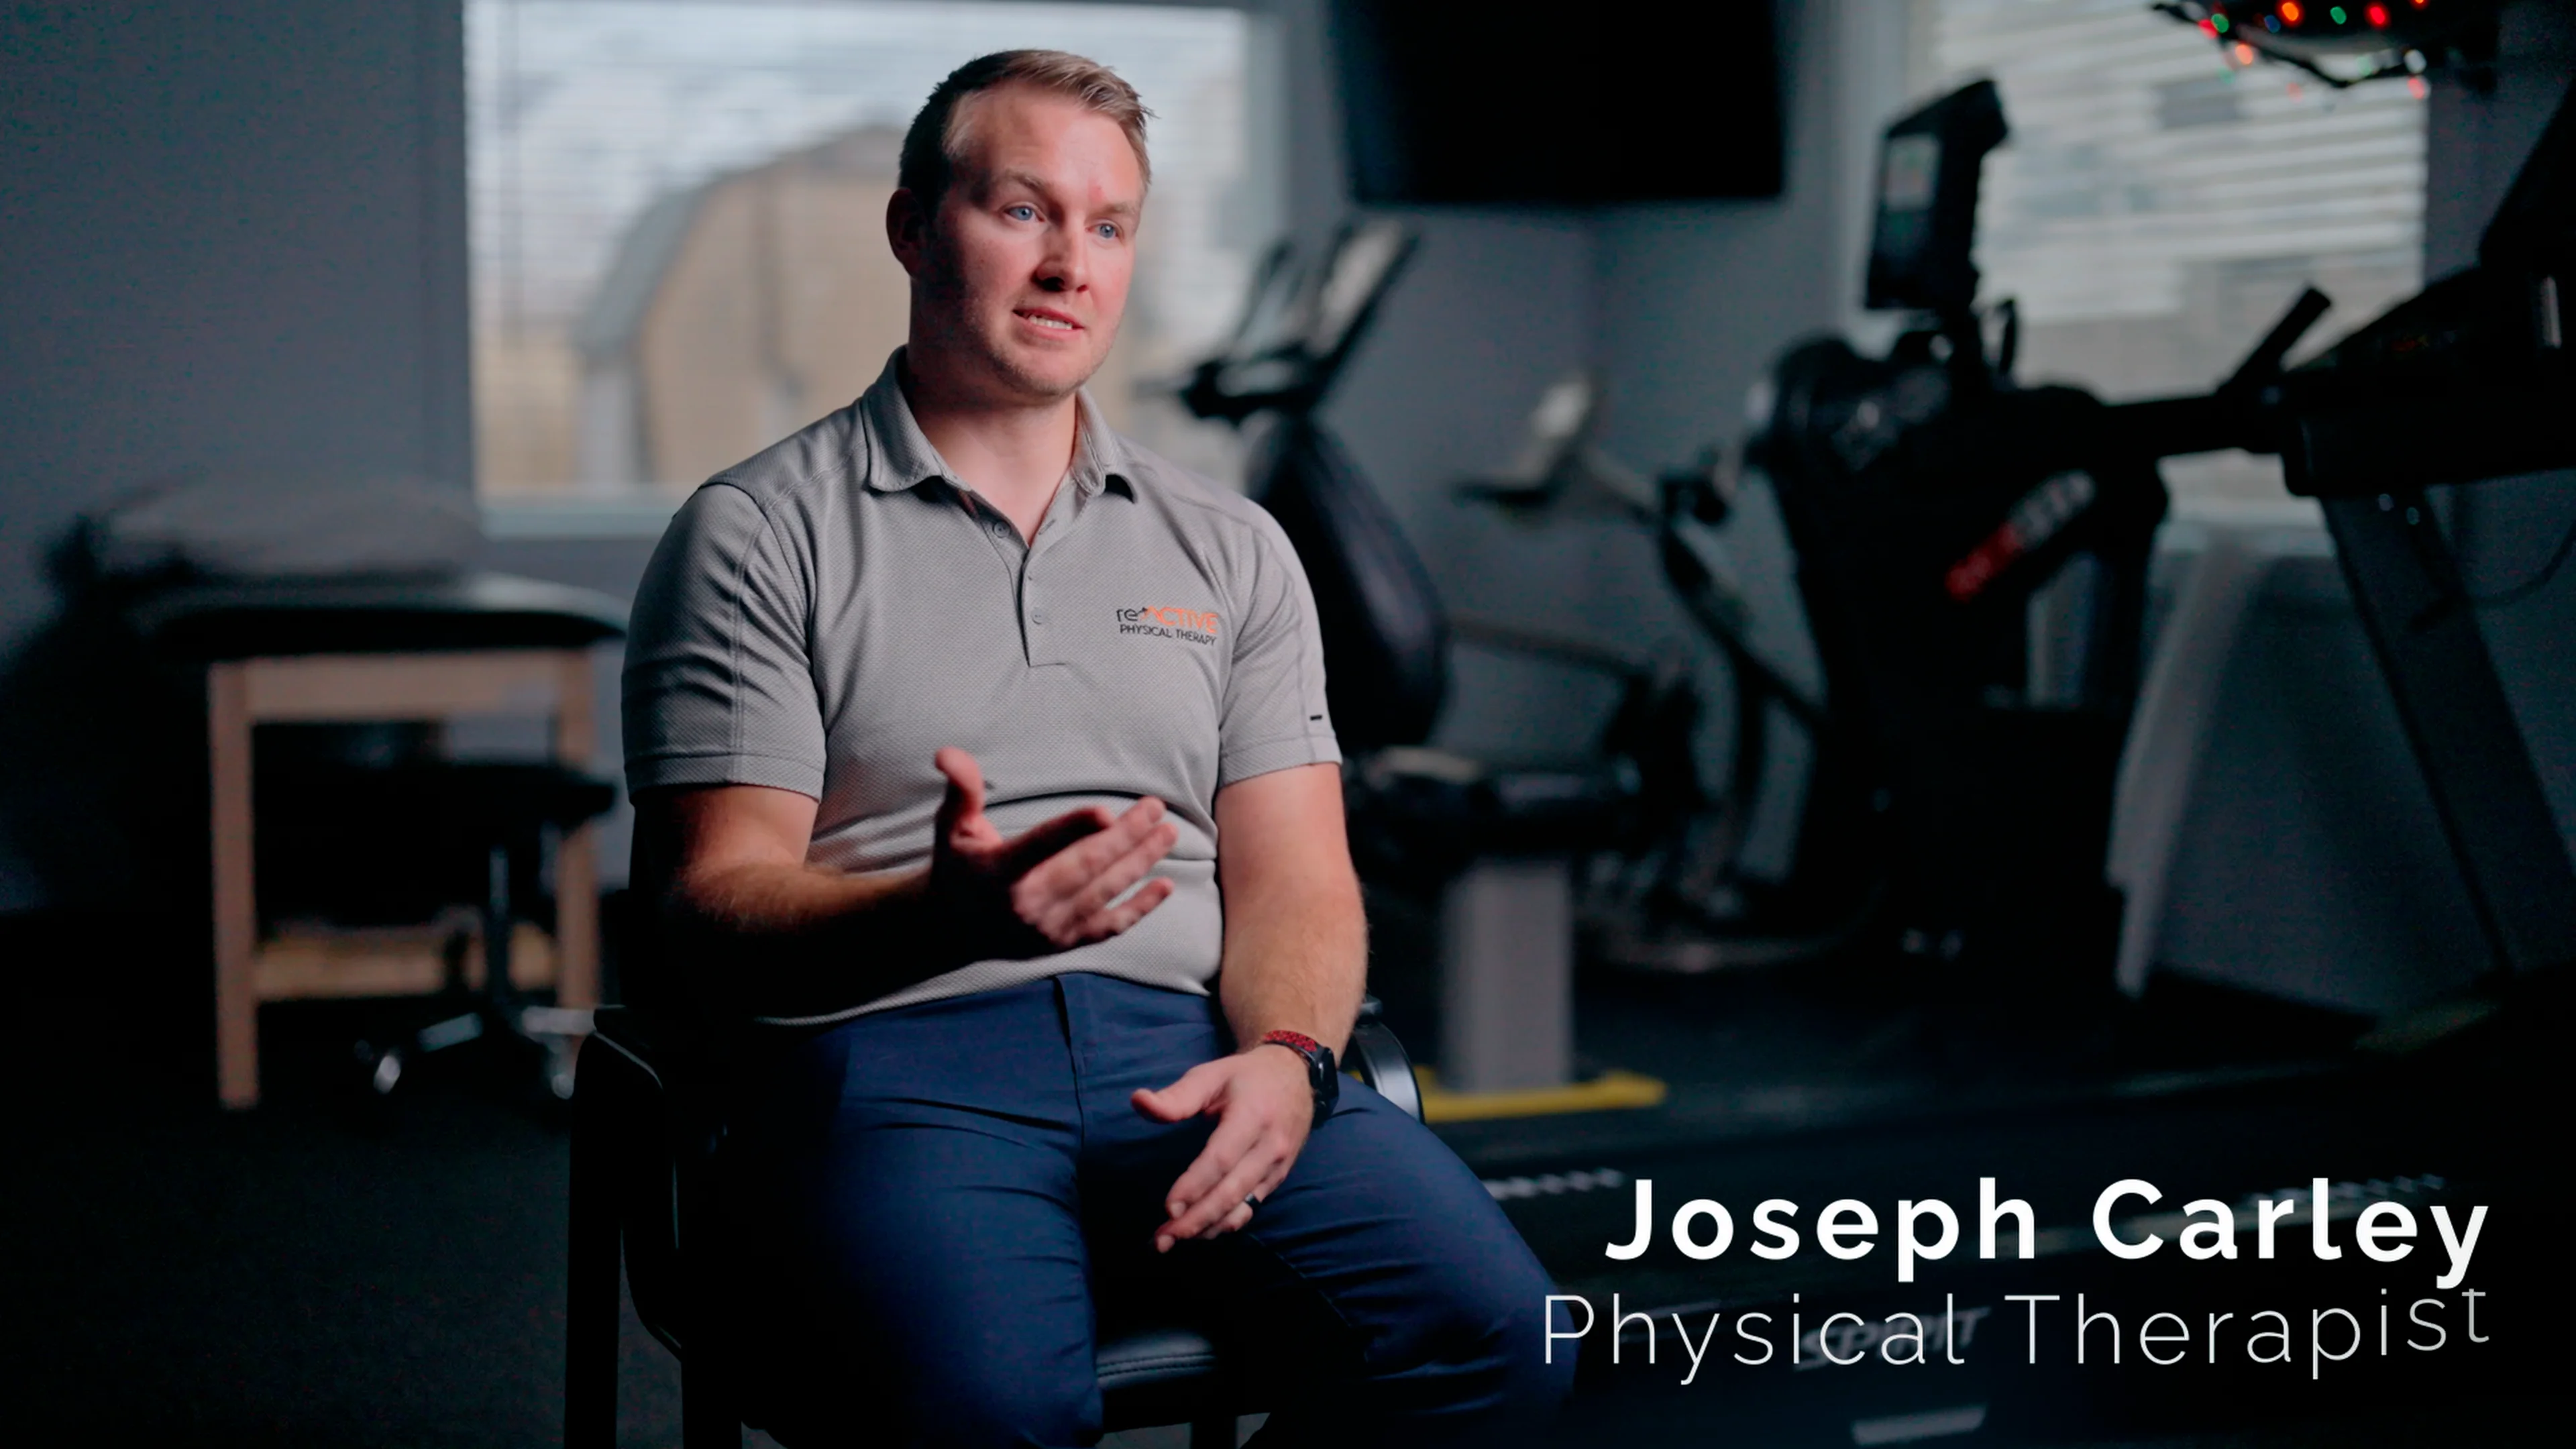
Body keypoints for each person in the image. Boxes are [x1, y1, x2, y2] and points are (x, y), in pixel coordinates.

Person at [623, 49, 1570, 1448]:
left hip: (1189, 1047)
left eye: (1108, 225)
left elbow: (1300, 880)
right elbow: (711, 905)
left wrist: (1290, 1054)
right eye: (1023, 211)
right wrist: (940, 915)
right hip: (890, 1059)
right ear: (912, 229)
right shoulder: (757, 535)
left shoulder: (1234, 547)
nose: (1072, 263)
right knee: (995, 1413)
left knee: (1502, 1341)